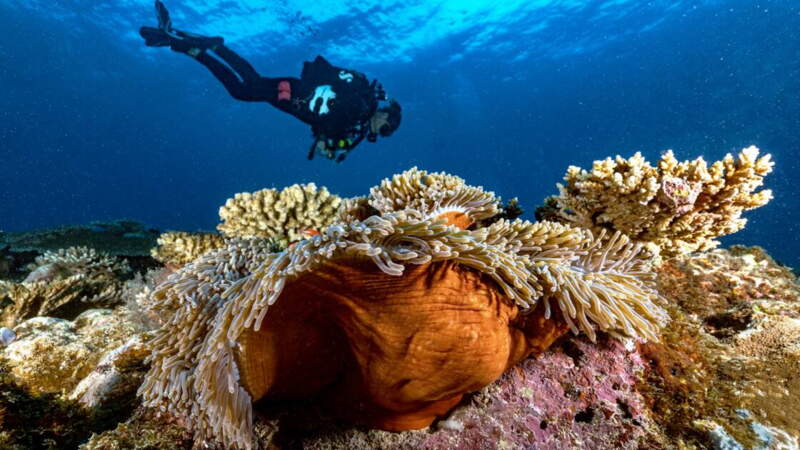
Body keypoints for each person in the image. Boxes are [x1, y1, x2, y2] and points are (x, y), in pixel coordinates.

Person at [139, 1, 401, 163]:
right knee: (241, 91)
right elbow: (333, 121)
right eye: (386, 129)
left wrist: (331, 139)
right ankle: (194, 49)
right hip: (292, 95)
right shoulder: (361, 107)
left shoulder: (361, 106)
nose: (381, 134)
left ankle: (212, 47)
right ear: (384, 116)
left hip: (294, 94)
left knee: (251, 82)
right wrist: (325, 140)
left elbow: (331, 122)